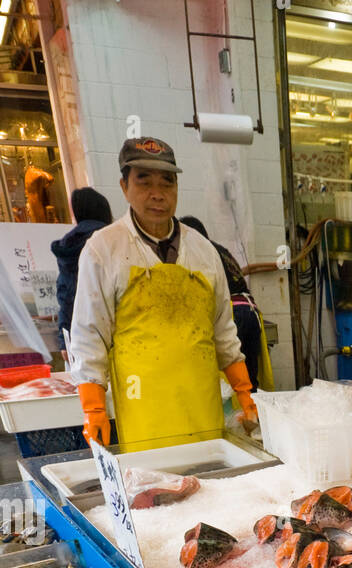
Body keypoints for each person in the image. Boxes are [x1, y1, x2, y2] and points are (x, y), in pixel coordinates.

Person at [70, 136, 257, 453]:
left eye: (167, 183)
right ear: (124, 185)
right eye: (144, 181)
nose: (157, 194)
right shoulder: (103, 249)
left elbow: (224, 329)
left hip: (203, 406)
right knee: (155, 491)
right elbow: (89, 335)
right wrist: (94, 409)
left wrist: (244, 391)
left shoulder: (203, 250)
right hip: (144, 408)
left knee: (214, 487)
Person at [178, 215, 268, 392]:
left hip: (233, 313)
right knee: (249, 379)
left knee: (228, 382)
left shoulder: (199, 252)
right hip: (251, 310)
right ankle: (253, 415)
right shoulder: (220, 250)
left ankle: (238, 417)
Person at [51, 188, 113, 343]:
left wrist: (64, 337)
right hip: (115, 329)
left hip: (81, 332)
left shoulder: (67, 245)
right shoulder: (112, 238)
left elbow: (65, 295)